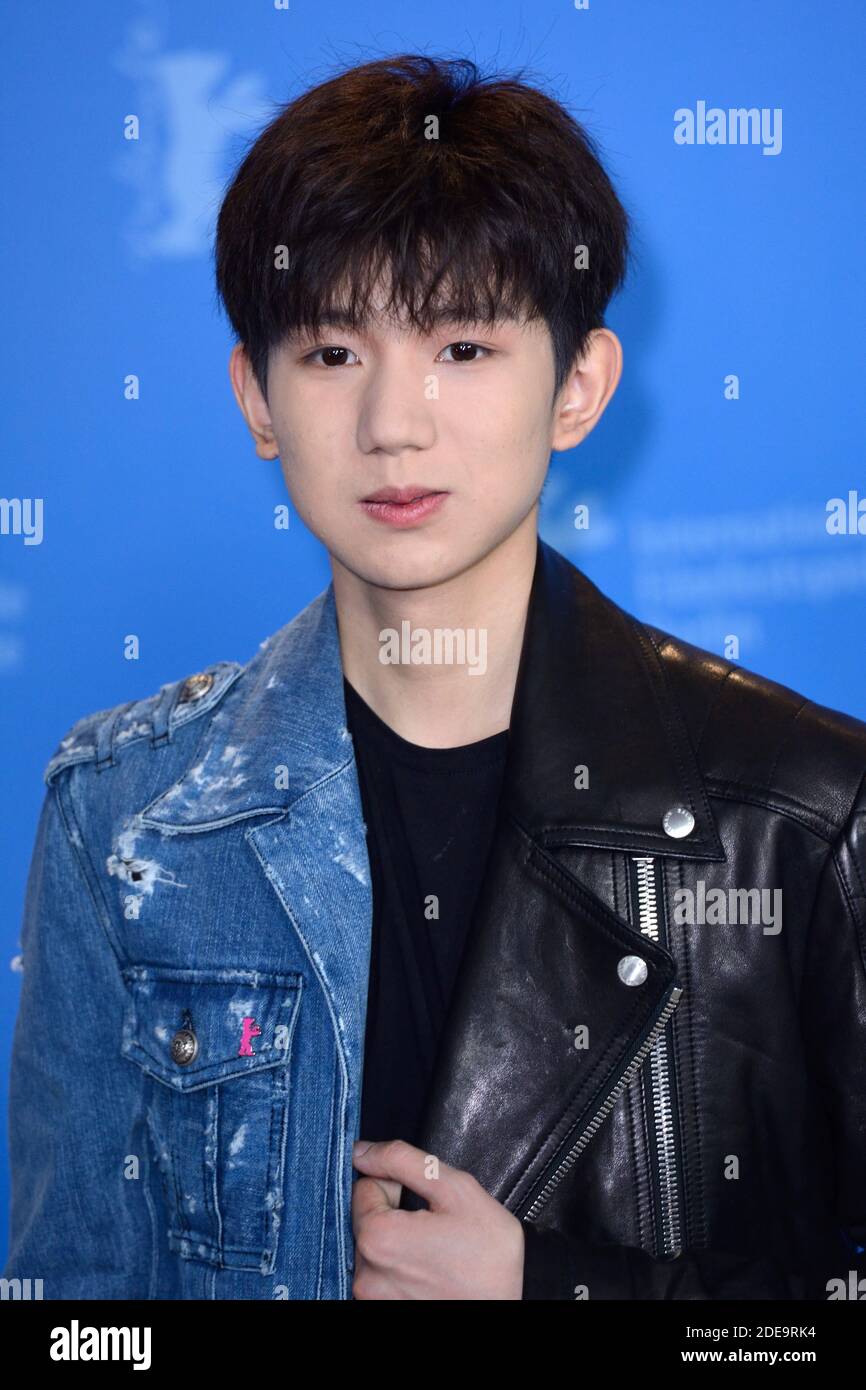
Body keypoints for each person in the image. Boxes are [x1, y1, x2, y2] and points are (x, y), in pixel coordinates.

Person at [4, 53, 866, 1301]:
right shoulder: (127, 814)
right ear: (256, 398)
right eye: (331, 353)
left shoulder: (802, 812)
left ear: (576, 386)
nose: (393, 423)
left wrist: (554, 1291)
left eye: (461, 345)